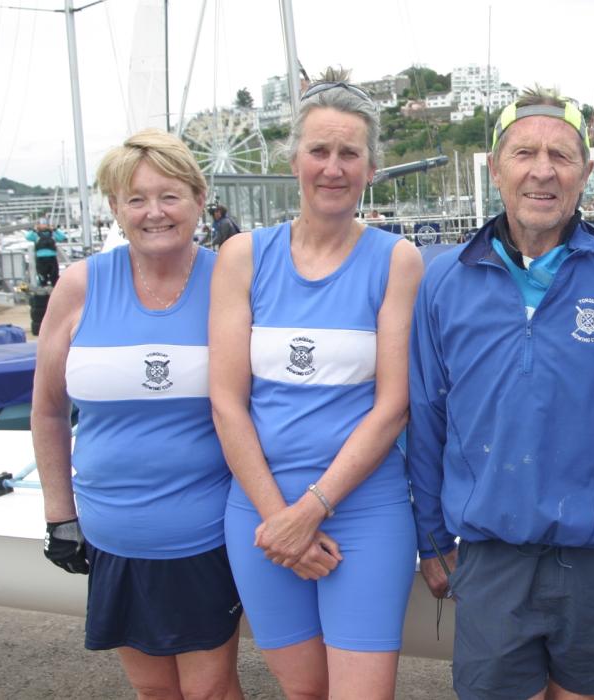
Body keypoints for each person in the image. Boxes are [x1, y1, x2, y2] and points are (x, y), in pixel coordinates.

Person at [408, 88, 594, 700]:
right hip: (492, 553)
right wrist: (430, 539)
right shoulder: (444, 279)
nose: (543, 170)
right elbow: (426, 414)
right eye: (524, 152)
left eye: (562, 154)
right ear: (496, 168)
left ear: (585, 173)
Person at [209, 68, 422, 700]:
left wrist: (313, 510)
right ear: (295, 159)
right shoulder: (243, 256)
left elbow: (394, 405)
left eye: (349, 154)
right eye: (319, 151)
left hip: (363, 509)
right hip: (261, 510)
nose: (333, 167)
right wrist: (282, 520)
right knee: (304, 691)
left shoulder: (395, 259)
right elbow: (226, 398)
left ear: (370, 168)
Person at [31, 129, 241, 699]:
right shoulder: (79, 286)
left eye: (170, 195)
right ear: (115, 209)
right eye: (136, 198)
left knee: (210, 692)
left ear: (200, 200)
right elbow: (49, 412)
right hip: (111, 537)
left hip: (206, 535)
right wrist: (60, 516)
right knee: (153, 692)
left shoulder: (230, 279)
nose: (154, 213)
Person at [25, 219, 67, 287]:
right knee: (42, 278)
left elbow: (62, 237)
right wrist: (34, 229)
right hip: (41, 259)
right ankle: (43, 290)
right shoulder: (36, 235)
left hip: (52, 259)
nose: (43, 226)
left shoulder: (52, 234)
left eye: (45, 224)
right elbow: (28, 237)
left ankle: (54, 290)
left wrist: (55, 229)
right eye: (41, 224)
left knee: (54, 277)